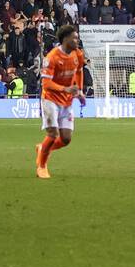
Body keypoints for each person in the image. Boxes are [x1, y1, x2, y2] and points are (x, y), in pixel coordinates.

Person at [35, 25, 85, 179]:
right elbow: (46, 84)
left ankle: (42, 148)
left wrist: (79, 90)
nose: (77, 40)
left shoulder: (77, 54)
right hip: (50, 99)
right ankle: (42, 166)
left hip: (67, 101)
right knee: (52, 132)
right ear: (65, 39)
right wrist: (66, 89)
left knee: (66, 139)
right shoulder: (52, 57)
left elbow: (79, 71)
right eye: (74, 38)